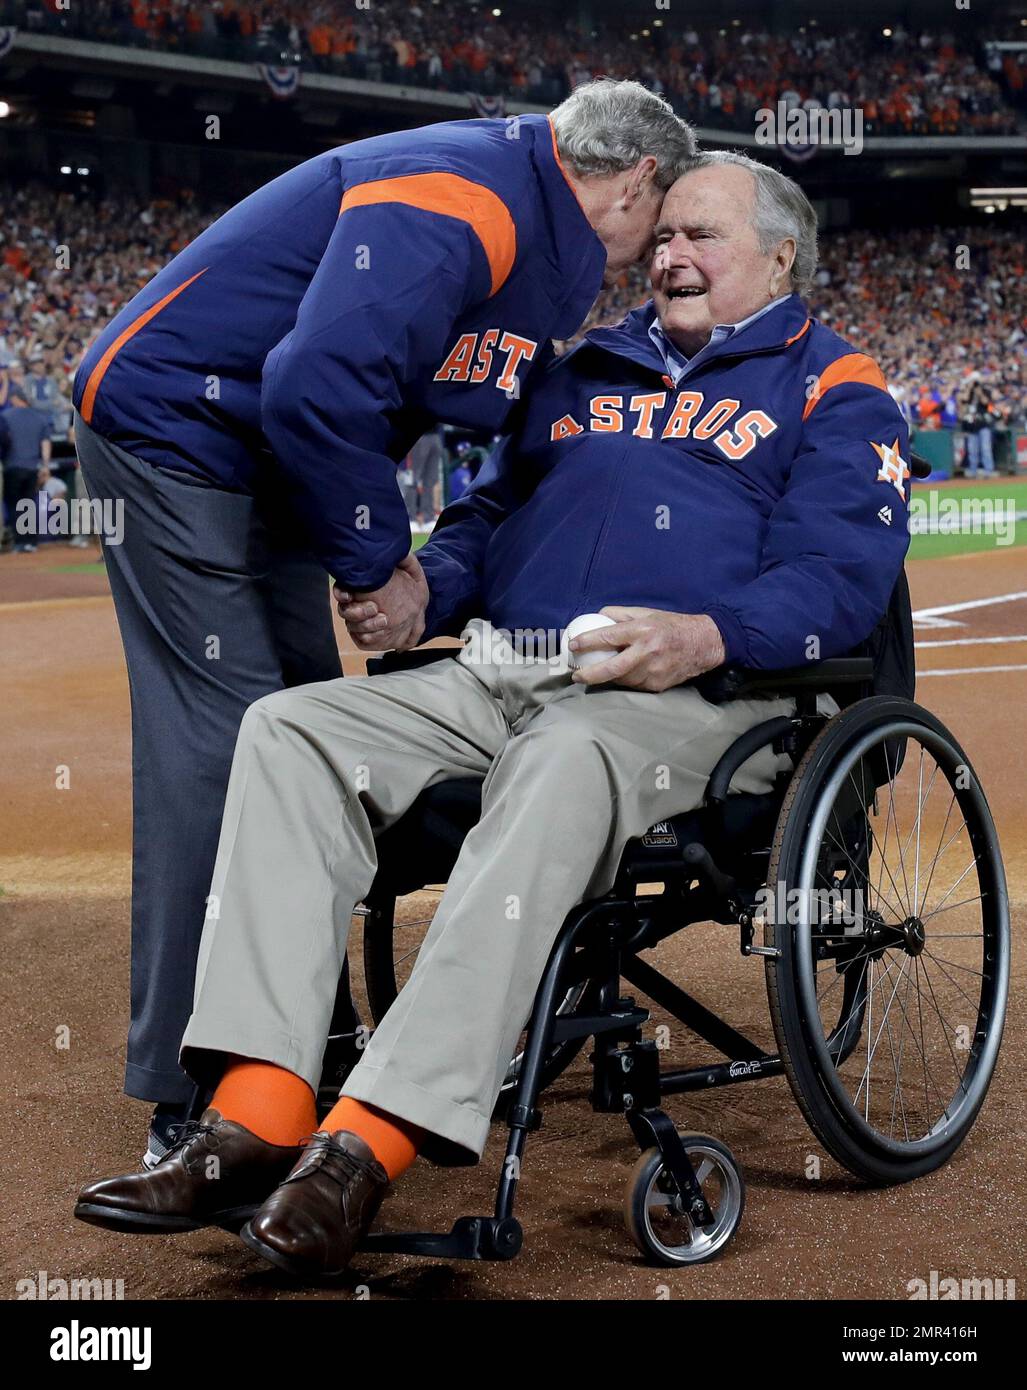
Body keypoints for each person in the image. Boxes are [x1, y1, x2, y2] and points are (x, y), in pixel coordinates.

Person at [76, 154, 912, 1279]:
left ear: (779, 256)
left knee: (565, 756)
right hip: (505, 673)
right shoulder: (582, 367)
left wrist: (704, 635)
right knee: (290, 731)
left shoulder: (833, 384)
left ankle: (365, 1146)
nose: (667, 254)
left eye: (700, 236)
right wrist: (426, 584)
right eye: (660, 234)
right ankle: (257, 1110)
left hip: (702, 698)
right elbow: (489, 513)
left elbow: (843, 576)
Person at [70, 80, 697, 1166]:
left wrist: (410, 574)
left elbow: (438, 411)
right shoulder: (469, 194)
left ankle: (296, 1030)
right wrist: (378, 567)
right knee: (226, 742)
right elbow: (316, 385)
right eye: (668, 212)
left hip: (276, 462)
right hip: (171, 429)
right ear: (635, 177)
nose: (663, 248)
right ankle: (205, 1076)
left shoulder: (551, 236)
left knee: (315, 722)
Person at [0, 400, 51, 553]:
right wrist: (45, 465)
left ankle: (19, 542)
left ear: (15, 399)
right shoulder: (39, 417)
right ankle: (31, 542)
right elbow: (45, 443)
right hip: (32, 468)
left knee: (15, 506)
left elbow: (4, 440)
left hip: (12, 467)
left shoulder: (5, 415)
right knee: (29, 504)